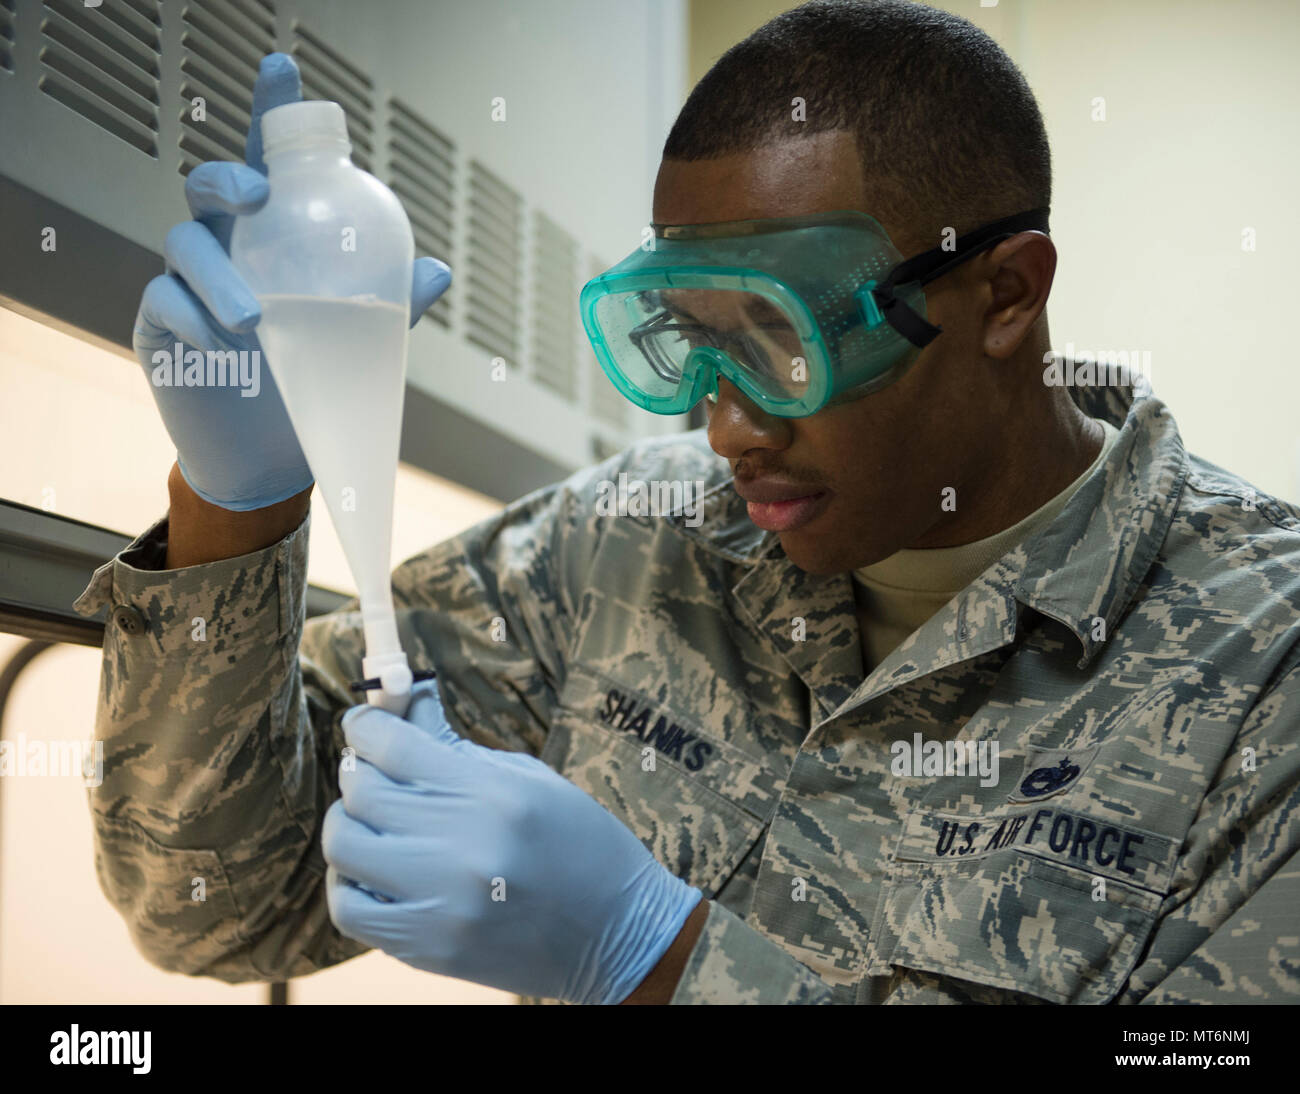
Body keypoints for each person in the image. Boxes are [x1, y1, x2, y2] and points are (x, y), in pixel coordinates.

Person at [75, 0, 1300, 1005]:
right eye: (689, 342)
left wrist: (660, 958)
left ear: (1003, 296)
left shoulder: (1265, 674)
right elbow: (228, 909)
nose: (723, 426)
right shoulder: (622, 542)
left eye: (778, 337)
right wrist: (239, 508)